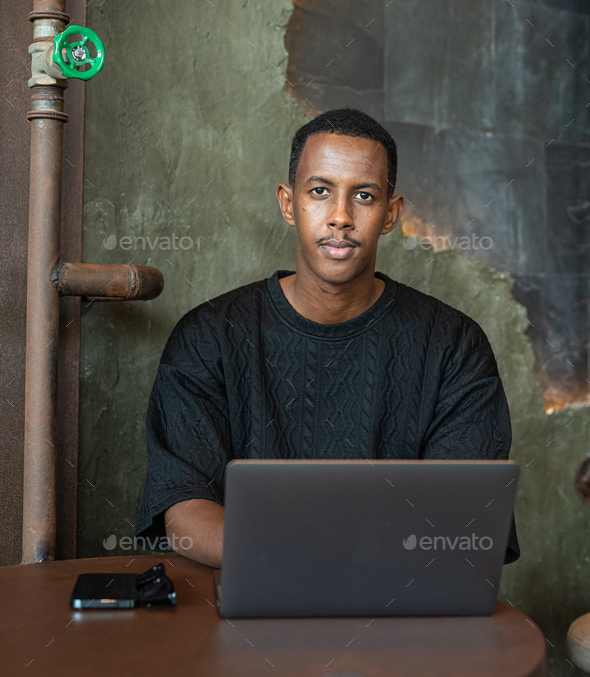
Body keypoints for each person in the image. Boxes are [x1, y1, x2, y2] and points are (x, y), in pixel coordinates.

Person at [136, 107, 519, 567]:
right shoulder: (209, 338)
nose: (340, 216)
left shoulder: (455, 347)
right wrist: (311, 562)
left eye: (363, 195)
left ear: (391, 214)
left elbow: (459, 520)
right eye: (320, 191)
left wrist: (337, 566)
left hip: (398, 608)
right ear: (288, 203)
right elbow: (184, 511)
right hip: (253, 602)